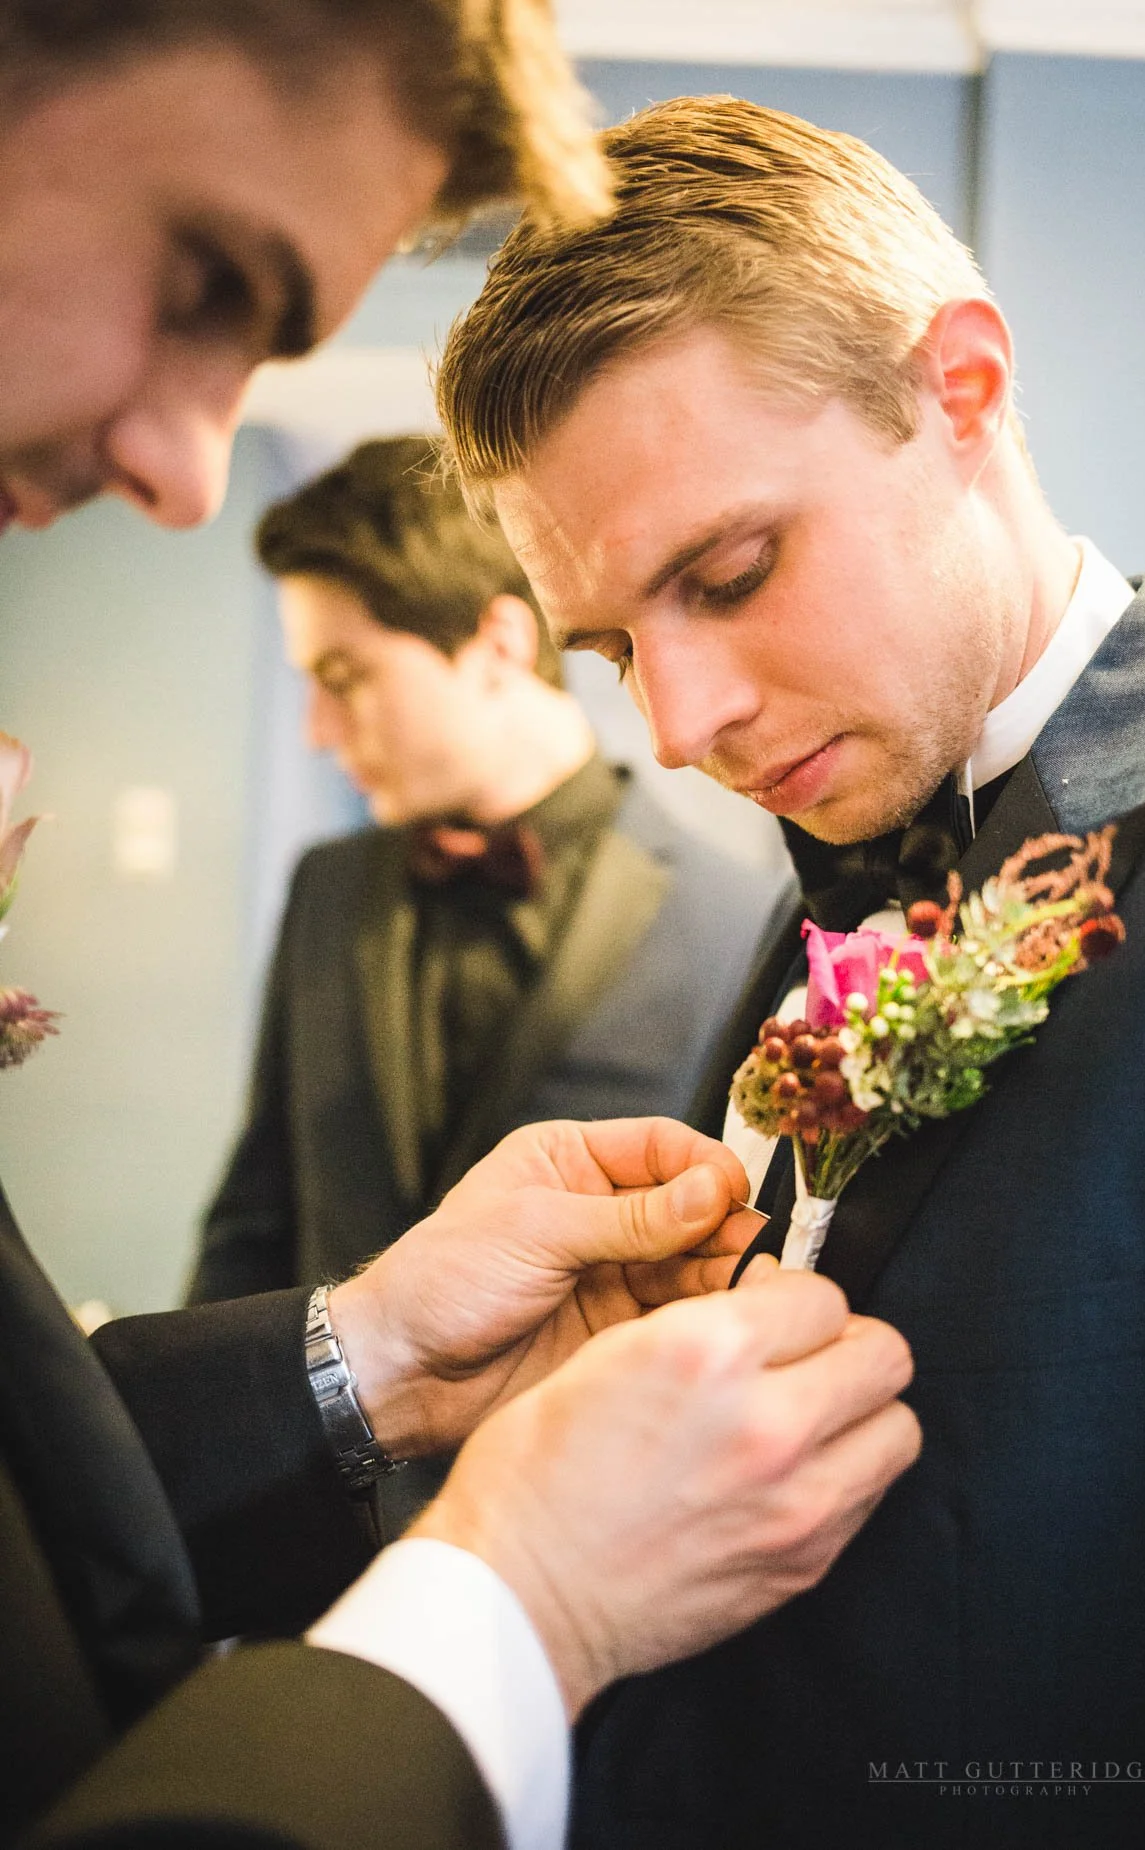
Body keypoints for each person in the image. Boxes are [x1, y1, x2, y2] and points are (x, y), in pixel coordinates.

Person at [0, 16, 927, 1848]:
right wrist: (510, 1594)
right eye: (204, 275)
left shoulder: (761, 878)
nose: (194, 478)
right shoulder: (328, 896)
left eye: (729, 576)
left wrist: (347, 1355)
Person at [436, 94, 1145, 1849]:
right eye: (609, 647)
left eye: (726, 573)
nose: (672, 725)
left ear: (955, 392)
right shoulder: (823, 892)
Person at [189, 436, 787, 1305]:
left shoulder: (738, 918)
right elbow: (253, 1222)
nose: (318, 731)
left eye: (345, 677)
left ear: (497, 643)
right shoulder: (325, 888)